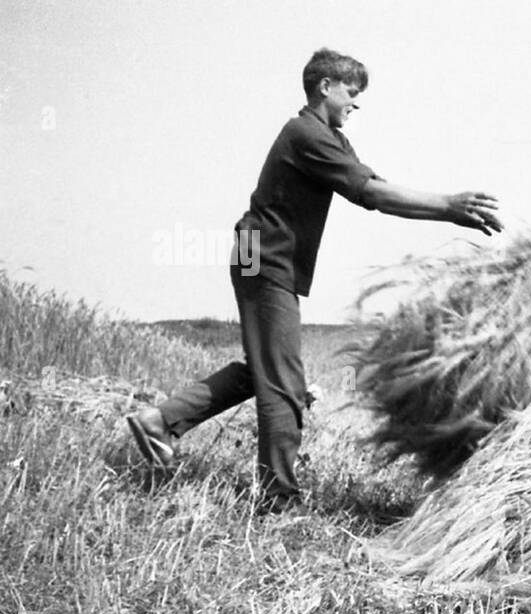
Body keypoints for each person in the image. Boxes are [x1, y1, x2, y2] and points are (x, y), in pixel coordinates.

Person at [126, 48, 503, 513]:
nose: (356, 104)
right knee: (283, 381)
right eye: (351, 92)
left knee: (267, 369)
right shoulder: (305, 133)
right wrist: (448, 206)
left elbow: (372, 183)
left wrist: (444, 208)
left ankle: (160, 421)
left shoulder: (328, 137)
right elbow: (372, 194)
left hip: (254, 251)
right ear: (324, 86)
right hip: (260, 254)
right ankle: (278, 499)